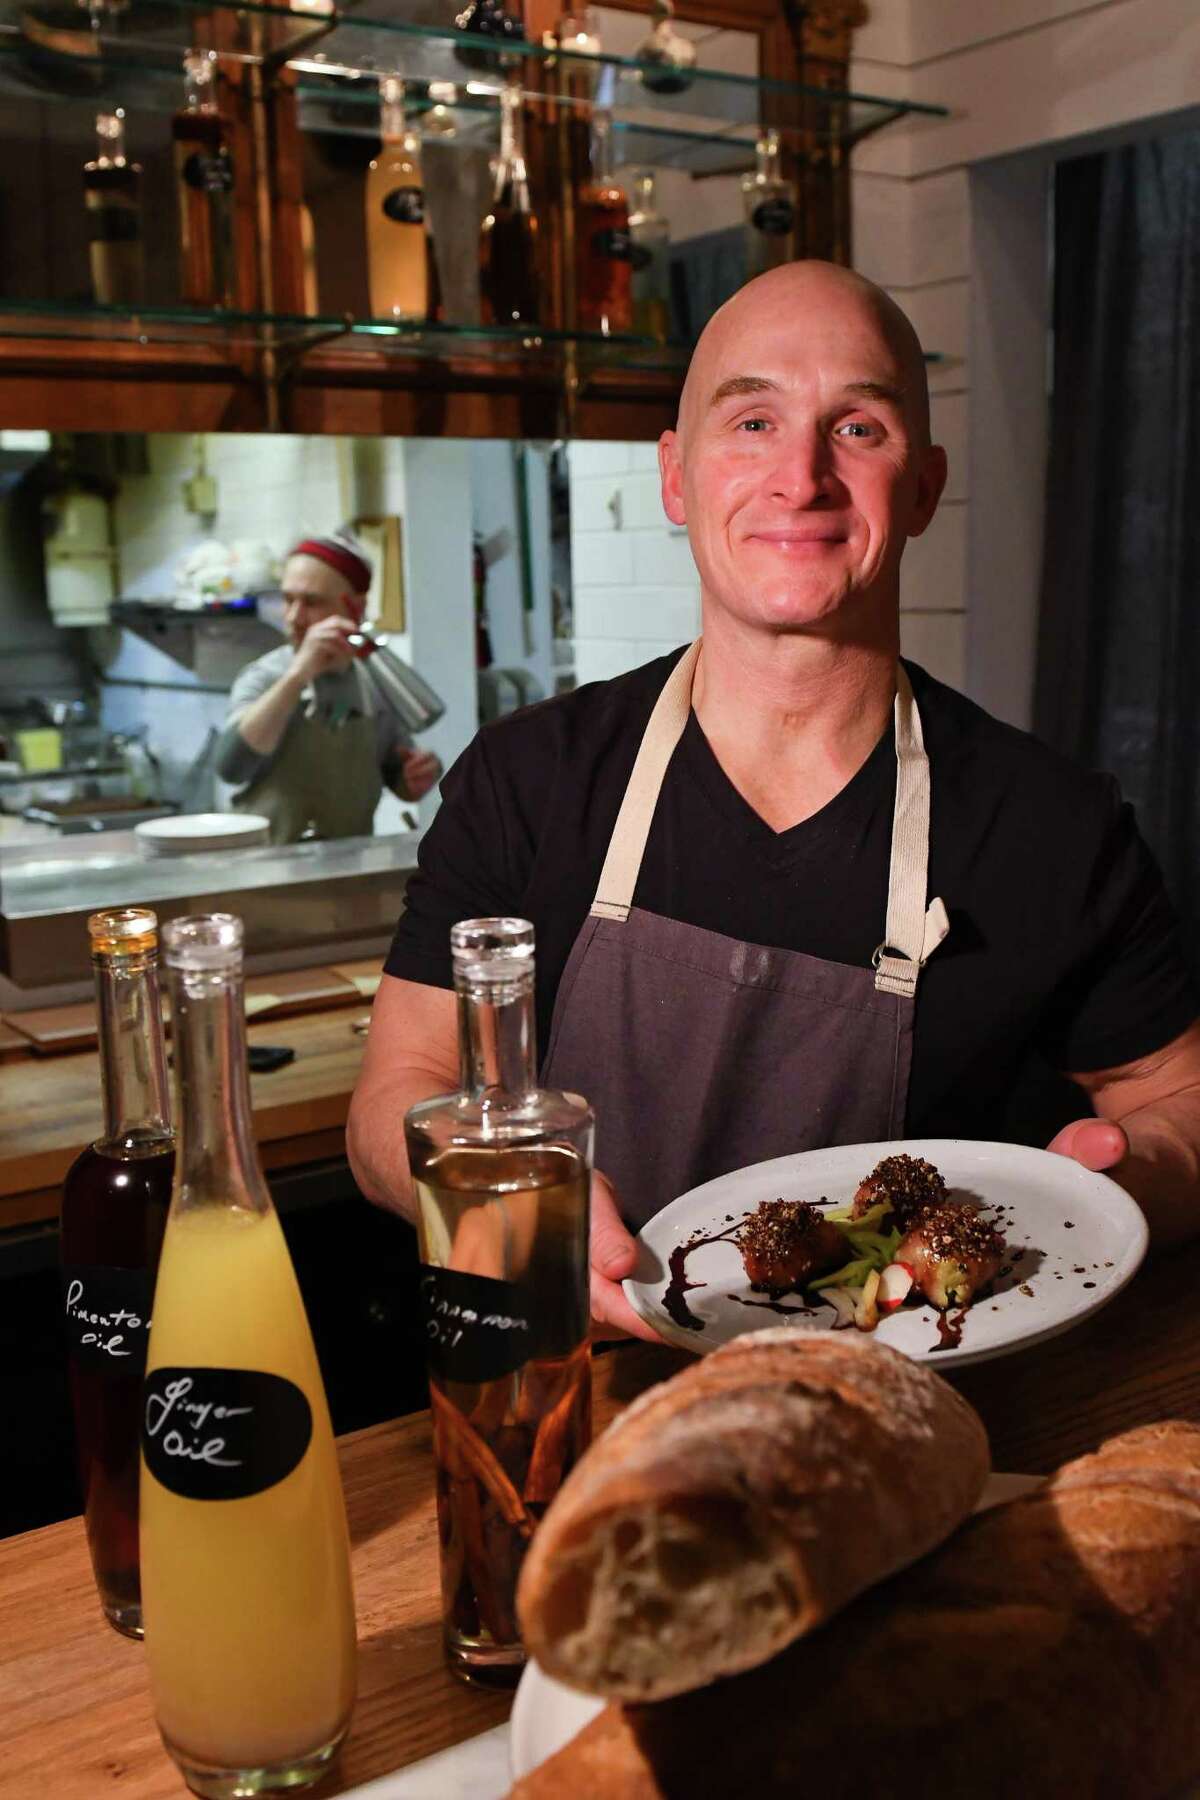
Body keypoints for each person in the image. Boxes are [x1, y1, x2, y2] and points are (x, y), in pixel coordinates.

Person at [346, 261, 1200, 1341]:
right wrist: (502, 1205)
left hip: (909, 1425)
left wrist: (1132, 1178)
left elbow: (1172, 1097)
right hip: (573, 1401)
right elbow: (397, 1094)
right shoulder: (531, 779)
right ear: (675, 476)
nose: (801, 478)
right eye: (752, 421)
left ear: (926, 486)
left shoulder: (1055, 828)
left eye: (858, 429)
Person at [214, 532, 441, 845]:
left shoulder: (374, 682)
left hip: (347, 869)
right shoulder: (264, 676)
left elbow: (396, 775)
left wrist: (418, 773)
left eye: (312, 602)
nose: (294, 617)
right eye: (288, 600)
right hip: (265, 870)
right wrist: (297, 675)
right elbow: (231, 766)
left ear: (355, 608)